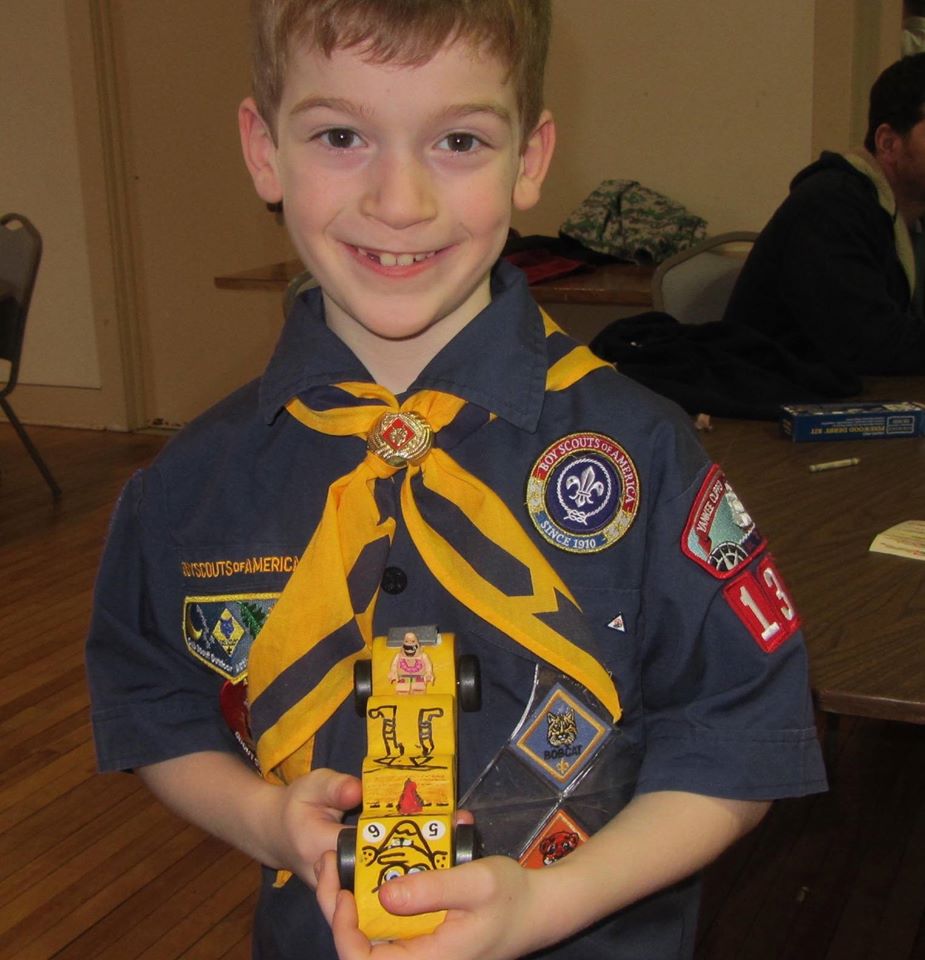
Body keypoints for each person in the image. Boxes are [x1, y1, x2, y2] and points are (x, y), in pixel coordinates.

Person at [84, 2, 826, 958]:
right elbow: (153, 703)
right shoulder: (187, 486)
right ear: (263, 149)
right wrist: (262, 821)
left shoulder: (645, 454)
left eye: (460, 140)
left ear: (530, 157)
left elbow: (739, 734)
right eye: (341, 134)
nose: (400, 200)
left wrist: (551, 905)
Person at [723, 53, 925, 375]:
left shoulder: (910, 214)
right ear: (888, 143)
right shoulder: (831, 206)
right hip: (774, 412)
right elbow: (875, 348)